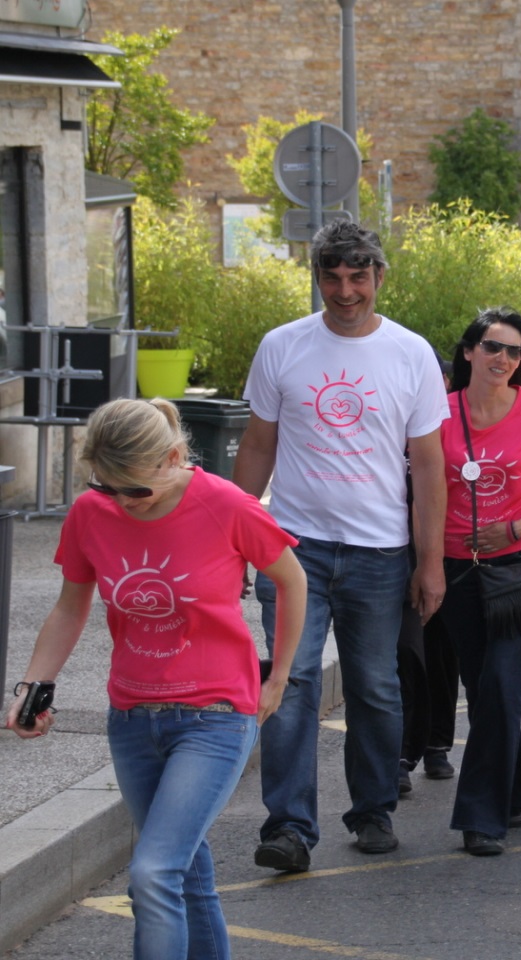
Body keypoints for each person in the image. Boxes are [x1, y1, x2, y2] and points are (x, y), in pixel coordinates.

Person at [5, 398, 306, 959]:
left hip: (215, 715)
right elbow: (71, 607)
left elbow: (291, 580)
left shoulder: (225, 505)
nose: (119, 501)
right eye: (106, 487)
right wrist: (32, 687)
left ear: (172, 457)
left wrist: (280, 675)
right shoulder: (91, 513)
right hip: (131, 717)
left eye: (135, 490)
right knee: (182, 873)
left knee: (153, 872)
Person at [235, 220, 449, 871]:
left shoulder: (411, 354)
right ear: (318, 277)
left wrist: (430, 561)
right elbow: (258, 446)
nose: (345, 290)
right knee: (291, 682)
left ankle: (373, 809)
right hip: (292, 548)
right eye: (332, 276)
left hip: (380, 553)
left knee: (376, 687)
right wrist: (235, 536)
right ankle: (290, 827)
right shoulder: (282, 347)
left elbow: (429, 466)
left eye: (359, 276)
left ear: (380, 277)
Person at [438, 308, 521, 856]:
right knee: (483, 686)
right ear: (470, 350)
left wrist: (516, 526)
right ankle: (513, 789)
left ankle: (481, 814)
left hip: (519, 568)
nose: (504, 359)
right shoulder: (436, 412)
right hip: (452, 568)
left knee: (499, 684)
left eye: (514, 352)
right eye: (493, 347)